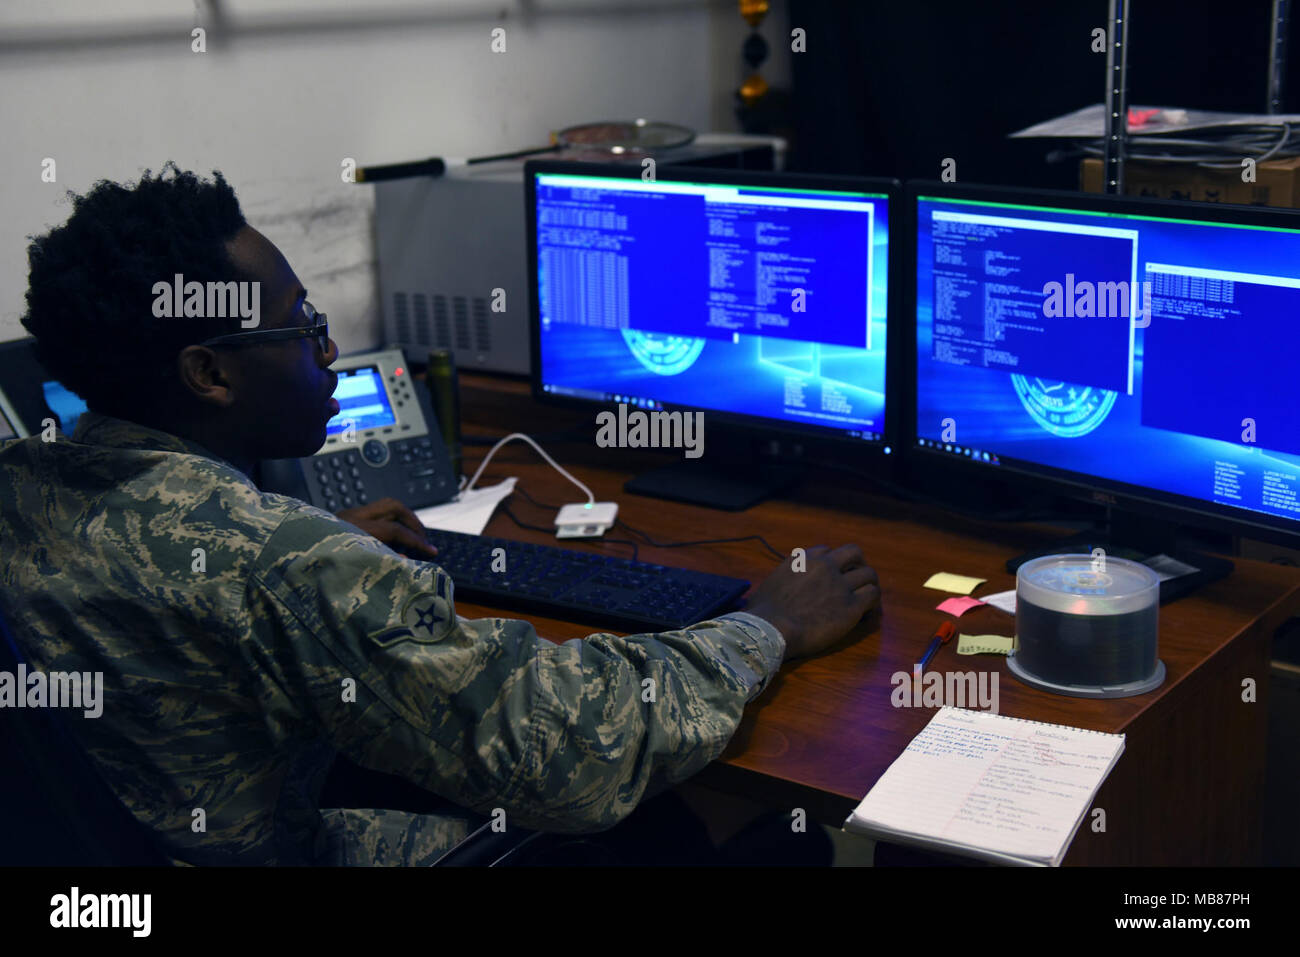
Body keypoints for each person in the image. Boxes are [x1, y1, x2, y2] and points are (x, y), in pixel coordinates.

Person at [0, 164, 880, 865]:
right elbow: (567, 749)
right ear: (209, 375)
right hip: (290, 849)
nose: (330, 350)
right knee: (665, 832)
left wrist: (308, 560)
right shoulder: (287, 563)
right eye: (303, 324)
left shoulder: (24, 486)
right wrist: (765, 627)